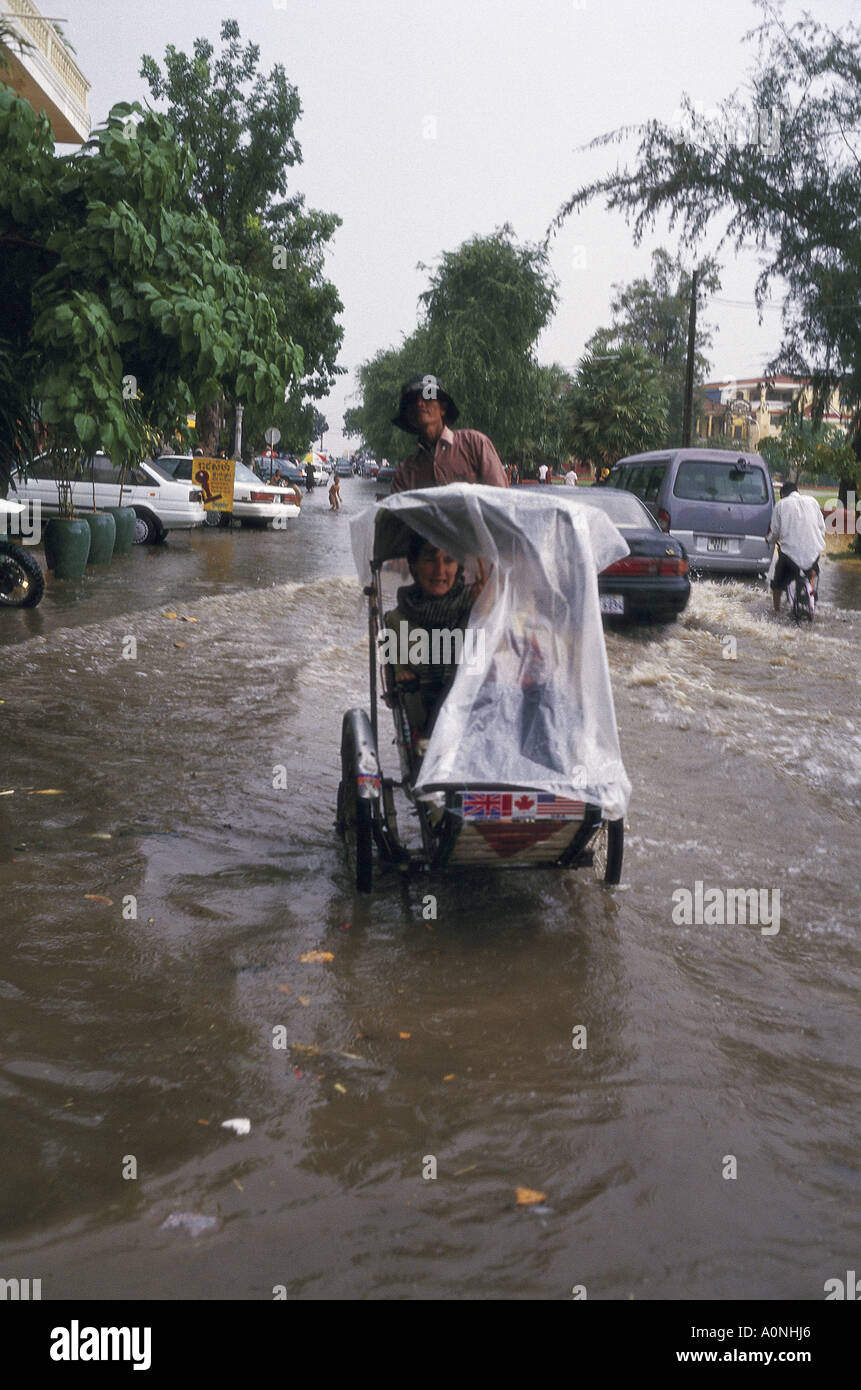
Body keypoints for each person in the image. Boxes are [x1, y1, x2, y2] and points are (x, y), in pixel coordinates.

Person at [383, 532, 488, 744]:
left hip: (479, 729)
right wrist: (404, 676)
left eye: (449, 560)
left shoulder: (480, 606)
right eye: (430, 559)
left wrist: (485, 615)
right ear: (413, 565)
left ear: (459, 566)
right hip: (428, 735)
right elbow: (396, 692)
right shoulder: (396, 621)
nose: (440, 570)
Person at [390, 375, 508, 492]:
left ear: (443, 408)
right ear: (409, 416)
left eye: (427, 397)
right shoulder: (405, 472)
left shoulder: (474, 444)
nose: (419, 404)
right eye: (412, 401)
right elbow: (397, 509)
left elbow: (501, 498)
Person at [767, 481, 826, 614]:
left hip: (789, 557)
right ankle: (811, 599)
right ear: (797, 491)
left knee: (777, 583)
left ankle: (776, 612)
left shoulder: (781, 505)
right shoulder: (812, 501)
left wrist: (769, 540)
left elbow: (775, 532)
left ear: (782, 494)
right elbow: (822, 529)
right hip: (813, 553)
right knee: (811, 572)